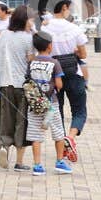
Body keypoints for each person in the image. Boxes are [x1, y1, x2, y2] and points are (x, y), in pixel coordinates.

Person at [0, 5, 36, 170]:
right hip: (22, 85)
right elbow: (31, 60)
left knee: (6, 118)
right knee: (21, 121)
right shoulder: (28, 38)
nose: (32, 22)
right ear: (25, 20)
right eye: (31, 19)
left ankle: (4, 147)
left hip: (4, 83)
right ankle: (19, 161)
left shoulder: (1, 35)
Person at [44, 0, 89, 158]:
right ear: (64, 8)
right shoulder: (74, 28)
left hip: (53, 74)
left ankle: (62, 143)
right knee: (79, 110)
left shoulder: (45, 29)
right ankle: (71, 137)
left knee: (57, 110)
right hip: (73, 73)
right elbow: (83, 54)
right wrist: (74, 52)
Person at [24, 32, 73, 176]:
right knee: (58, 132)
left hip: (34, 104)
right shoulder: (54, 63)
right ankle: (59, 162)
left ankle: (37, 165)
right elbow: (59, 84)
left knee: (35, 134)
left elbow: (28, 80)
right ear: (50, 46)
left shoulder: (31, 62)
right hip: (51, 104)